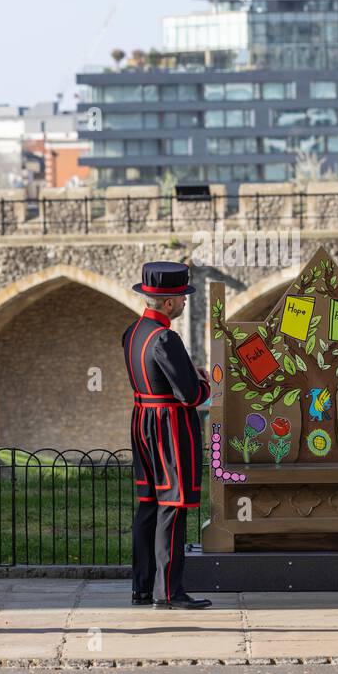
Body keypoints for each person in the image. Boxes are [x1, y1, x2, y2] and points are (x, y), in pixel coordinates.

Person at [121, 261, 213, 610]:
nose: (186, 301)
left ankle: (143, 587)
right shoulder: (165, 337)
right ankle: (169, 592)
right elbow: (191, 396)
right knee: (173, 506)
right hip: (169, 427)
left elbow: (155, 375)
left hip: (142, 420)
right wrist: (205, 384)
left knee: (149, 505)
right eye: (183, 297)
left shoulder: (132, 332)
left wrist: (189, 372)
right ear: (170, 302)